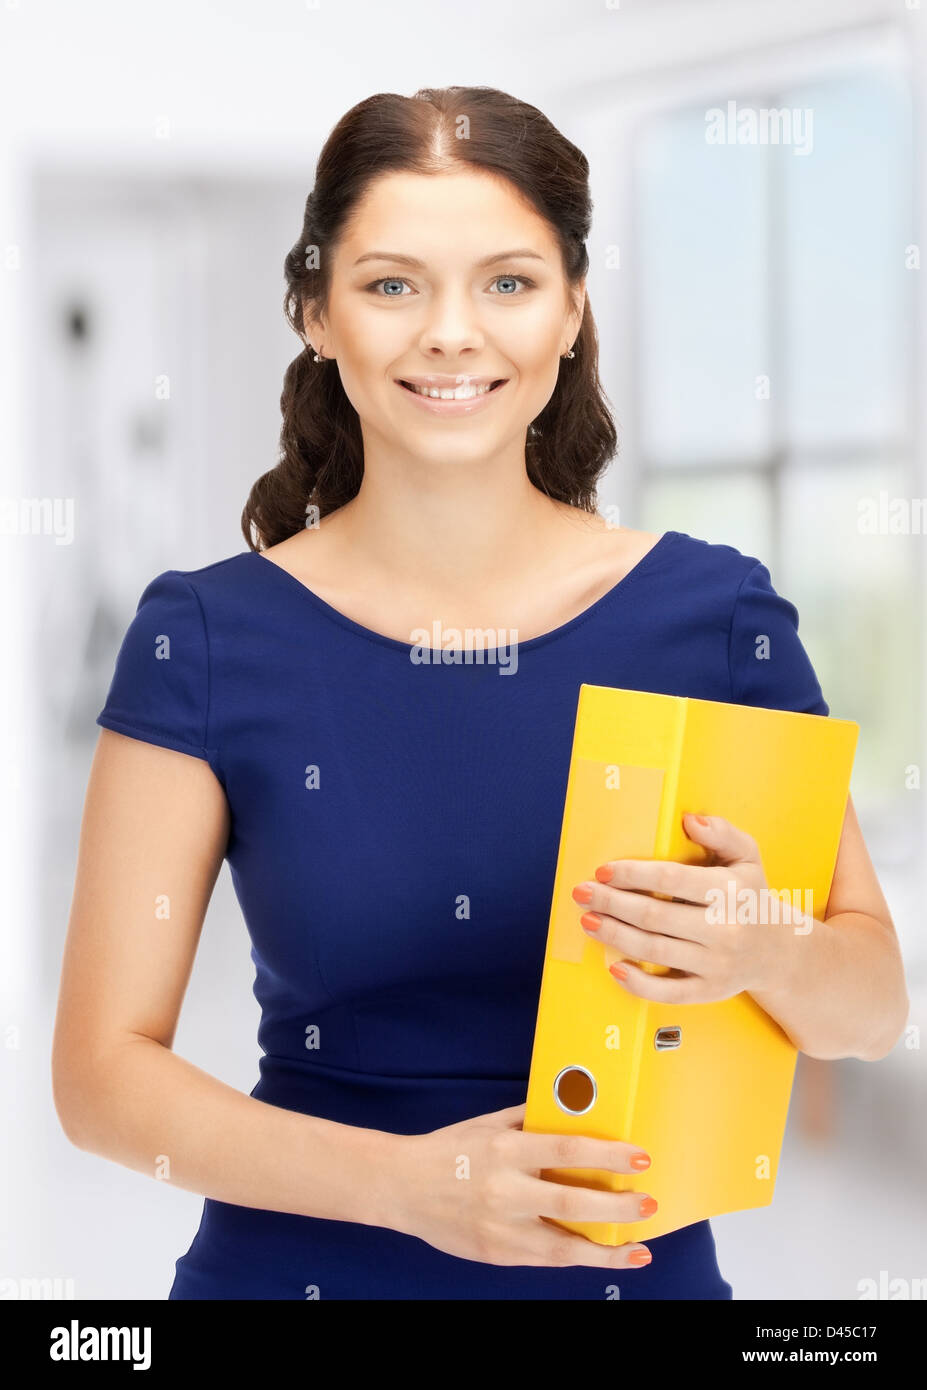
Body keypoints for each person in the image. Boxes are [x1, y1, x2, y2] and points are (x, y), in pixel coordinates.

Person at [52, 85, 907, 1300]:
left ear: (570, 314)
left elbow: (870, 1006)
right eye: (393, 284)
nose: (452, 333)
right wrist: (414, 1188)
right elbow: (98, 1076)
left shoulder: (712, 616)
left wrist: (759, 947)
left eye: (507, 282)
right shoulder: (205, 635)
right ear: (316, 315)